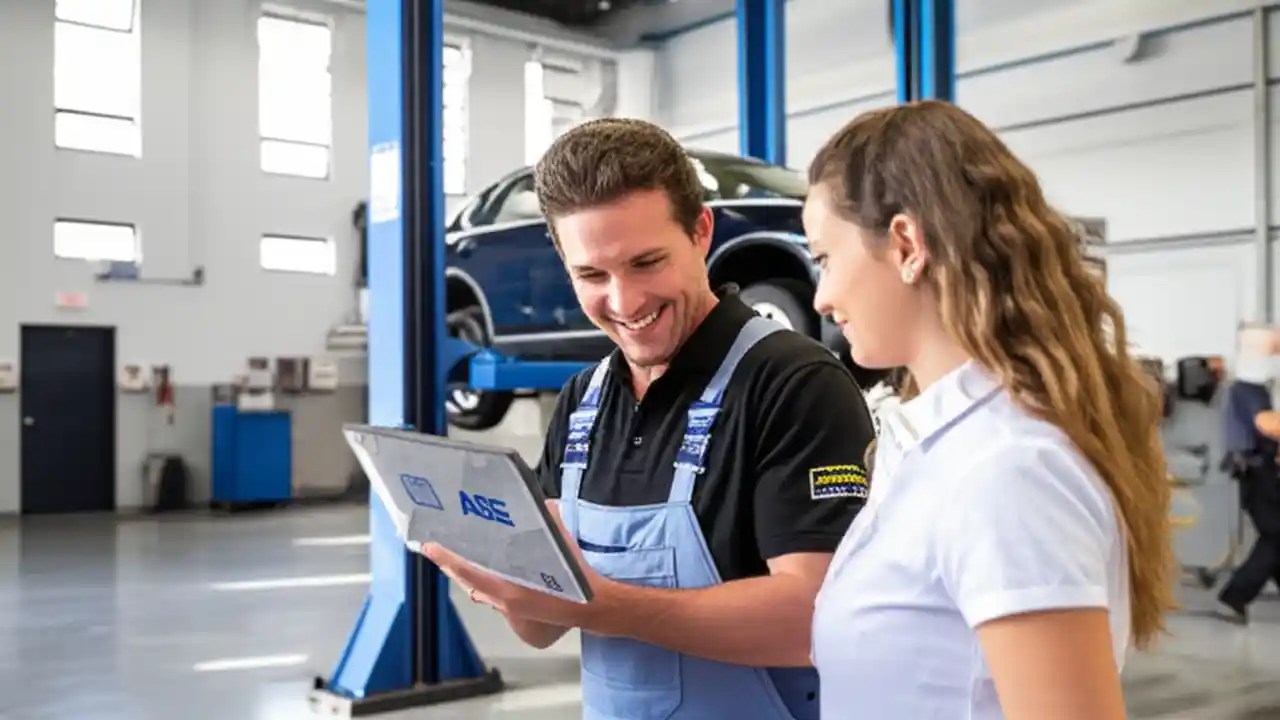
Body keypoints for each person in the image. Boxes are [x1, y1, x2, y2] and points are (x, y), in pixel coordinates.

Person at [422, 117, 878, 719]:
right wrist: (490, 565)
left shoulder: (793, 384)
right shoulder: (584, 402)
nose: (625, 301)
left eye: (646, 262)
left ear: (701, 233)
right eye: (592, 274)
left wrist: (604, 607)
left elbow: (814, 621)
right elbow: (541, 628)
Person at [803, 100, 1176, 720]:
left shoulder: (1007, 472)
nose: (821, 296)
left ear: (905, 244)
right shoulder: (934, 445)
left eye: (824, 258)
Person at [1216, 325, 1280, 624]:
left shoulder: (1254, 389)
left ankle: (1236, 597)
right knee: (1275, 535)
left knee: (1276, 537)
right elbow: (1267, 425)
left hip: (1263, 472)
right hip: (1259, 474)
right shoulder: (1248, 389)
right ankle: (1234, 597)